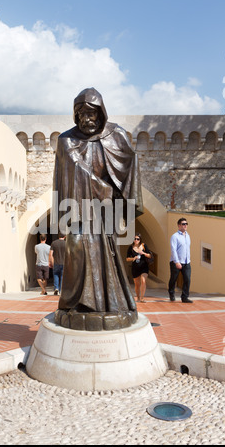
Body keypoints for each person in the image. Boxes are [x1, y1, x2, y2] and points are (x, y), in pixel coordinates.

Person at [51, 87, 143, 329]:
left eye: (91, 115)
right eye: (81, 115)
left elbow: (129, 162)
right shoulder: (66, 139)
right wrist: (101, 187)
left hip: (106, 209)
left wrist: (118, 194)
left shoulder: (117, 135)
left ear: (101, 114)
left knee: (108, 252)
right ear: (75, 115)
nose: (87, 120)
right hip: (79, 207)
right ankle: (74, 301)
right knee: (76, 244)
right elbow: (72, 168)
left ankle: (111, 303)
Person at [168, 218, 192, 303]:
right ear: (179, 225)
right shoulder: (175, 236)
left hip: (186, 262)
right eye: (183, 224)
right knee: (173, 279)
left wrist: (188, 259)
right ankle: (171, 293)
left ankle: (185, 297)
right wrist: (177, 262)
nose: (185, 225)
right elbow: (173, 250)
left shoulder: (187, 235)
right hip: (176, 262)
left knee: (187, 279)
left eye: (186, 223)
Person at [126, 233, 152, 302]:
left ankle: (142, 298)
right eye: (135, 239)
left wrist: (143, 253)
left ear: (140, 240)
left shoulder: (144, 246)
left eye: (138, 239)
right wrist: (133, 258)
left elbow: (149, 255)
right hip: (135, 267)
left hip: (144, 266)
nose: (136, 240)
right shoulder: (130, 248)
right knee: (137, 284)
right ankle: (137, 297)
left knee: (143, 281)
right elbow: (127, 258)